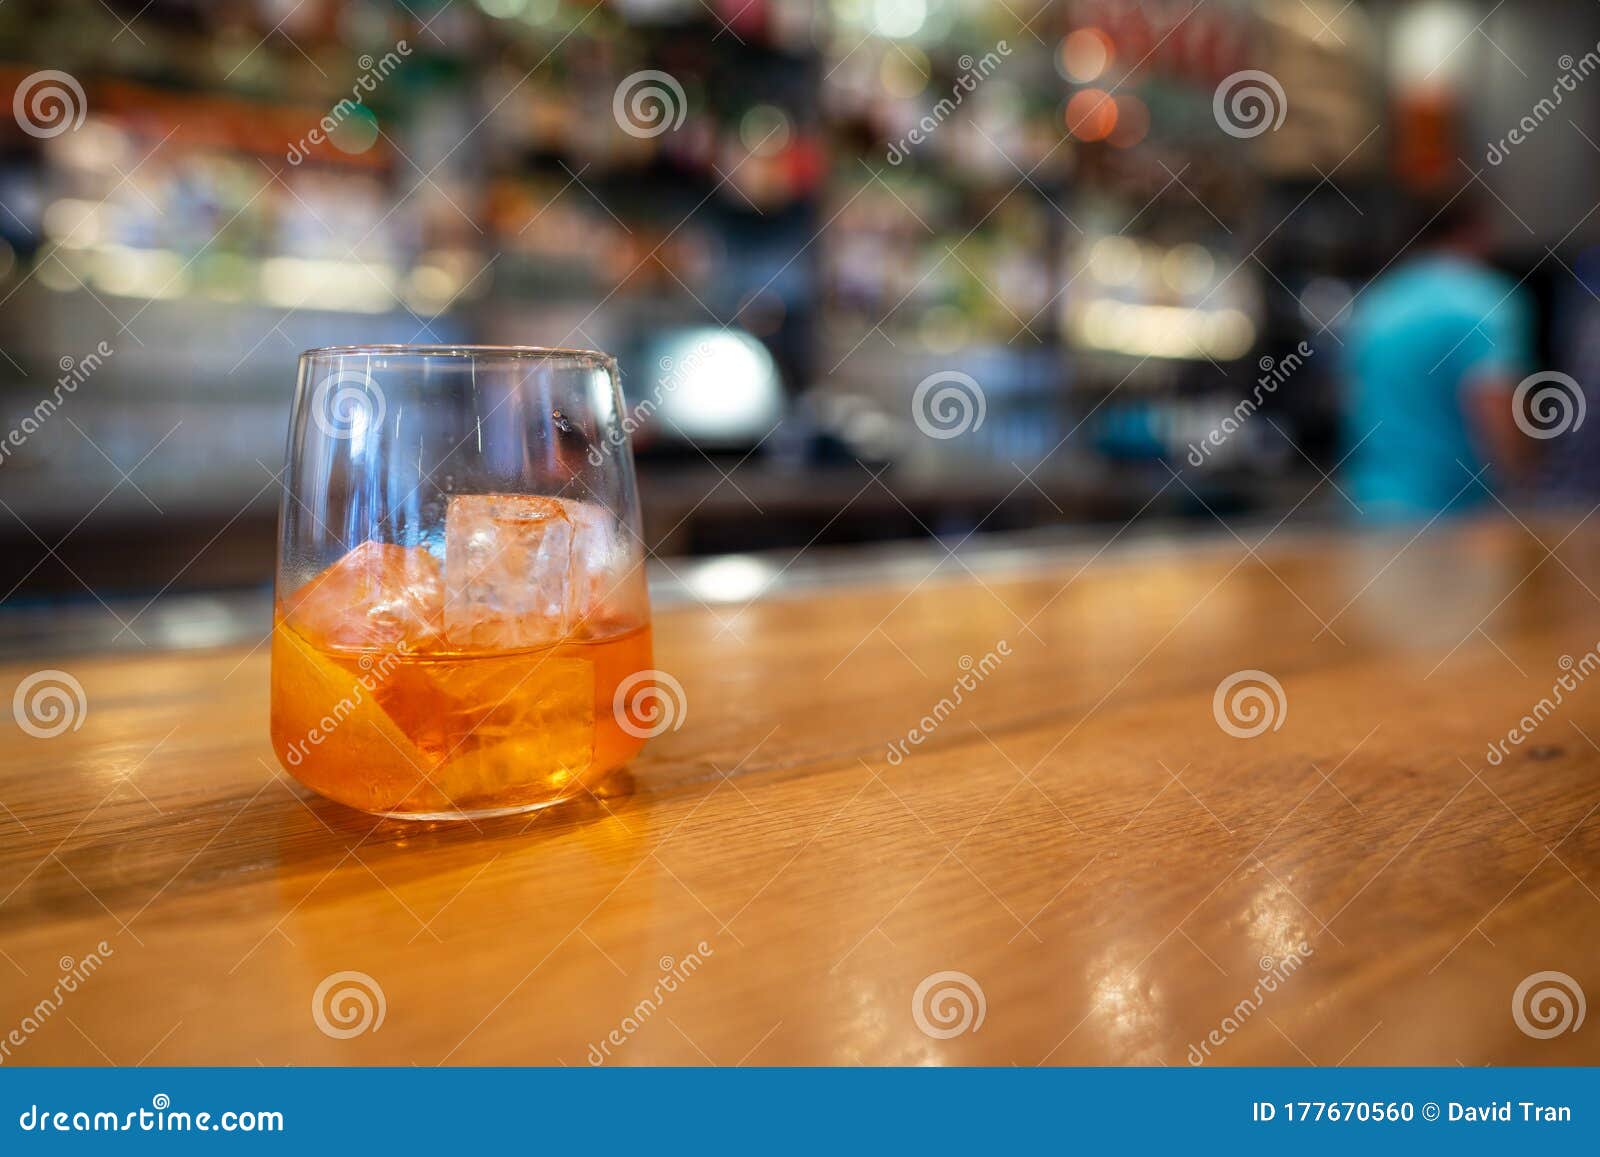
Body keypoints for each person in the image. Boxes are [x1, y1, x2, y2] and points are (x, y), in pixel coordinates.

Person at [1342, 198, 1534, 521]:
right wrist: (1523, 492)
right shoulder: (1485, 300)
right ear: (1476, 232)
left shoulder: (1376, 303)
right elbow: (1493, 402)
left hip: (1374, 507)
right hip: (1460, 519)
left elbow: (1351, 400)